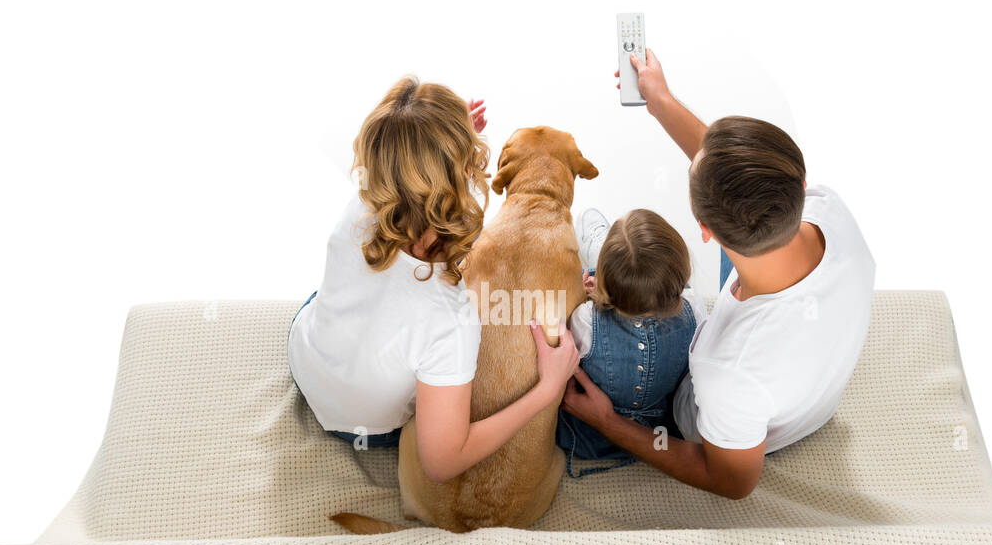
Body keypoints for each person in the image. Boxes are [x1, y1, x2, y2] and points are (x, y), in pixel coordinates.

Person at [562, 51, 875, 499]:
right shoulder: (829, 211)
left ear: (703, 231)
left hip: (720, 415)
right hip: (804, 389)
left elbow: (731, 481)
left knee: (608, 258)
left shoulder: (726, 371)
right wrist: (662, 101)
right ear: (799, 185)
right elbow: (738, 178)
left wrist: (608, 421)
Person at [288, 77, 579, 483]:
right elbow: (442, 462)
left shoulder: (361, 202)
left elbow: (403, 159)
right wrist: (547, 390)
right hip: (364, 428)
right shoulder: (451, 319)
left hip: (306, 361)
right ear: (461, 172)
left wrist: (442, 145)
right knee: (438, 369)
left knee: (356, 301)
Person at [557, 208, 704, 476]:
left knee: (586, 248)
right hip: (658, 433)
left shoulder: (585, 320)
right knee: (649, 272)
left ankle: (597, 247)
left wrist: (581, 294)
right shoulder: (694, 309)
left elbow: (563, 344)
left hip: (591, 440)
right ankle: (603, 246)